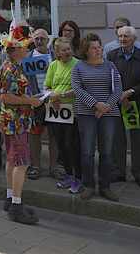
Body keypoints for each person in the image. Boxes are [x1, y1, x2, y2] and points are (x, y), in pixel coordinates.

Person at [0, 26, 41, 225]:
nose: (27, 48)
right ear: (16, 49)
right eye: (25, 46)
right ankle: (16, 205)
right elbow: (5, 96)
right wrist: (30, 102)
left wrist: (30, 99)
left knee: (12, 160)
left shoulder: (12, 65)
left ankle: (10, 197)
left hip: (13, 119)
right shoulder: (10, 68)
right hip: (16, 121)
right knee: (21, 162)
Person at [72, 34, 123, 201]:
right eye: (94, 48)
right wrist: (95, 105)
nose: (98, 50)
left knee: (107, 151)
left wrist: (105, 106)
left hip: (108, 114)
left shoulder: (111, 66)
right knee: (87, 151)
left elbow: (117, 90)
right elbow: (78, 89)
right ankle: (88, 185)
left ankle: (105, 186)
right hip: (86, 114)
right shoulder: (79, 67)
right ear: (86, 50)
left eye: (99, 47)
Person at [107, 25, 140, 188]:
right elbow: (108, 78)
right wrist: (119, 95)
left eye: (126, 36)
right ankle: (119, 171)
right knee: (118, 139)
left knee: (138, 139)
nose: (123, 39)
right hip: (117, 103)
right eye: (120, 36)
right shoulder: (111, 56)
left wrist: (131, 92)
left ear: (134, 39)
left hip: (137, 103)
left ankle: (139, 173)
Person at [45, 38, 81, 193]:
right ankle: (68, 175)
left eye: (68, 49)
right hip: (55, 110)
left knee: (72, 145)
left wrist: (63, 95)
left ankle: (78, 178)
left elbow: (80, 86)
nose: (67, 52)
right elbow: (47, 86)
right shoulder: (53, 65)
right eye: (63, 50)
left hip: (73, 110)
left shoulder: (78, 64)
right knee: (61, 145)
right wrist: (52, 97)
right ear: (57, 52)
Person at [27, 28, 57, 180]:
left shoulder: (55, 56)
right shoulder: (28, 57)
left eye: (42, 39)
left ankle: (54, 167)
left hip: (53, 101)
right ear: (33, 40)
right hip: (35, 101)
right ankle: (35, 166)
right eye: (36, 38)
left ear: (48, 40)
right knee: (34, 134)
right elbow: (24, 81)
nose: (39, 41)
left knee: (54, 135)